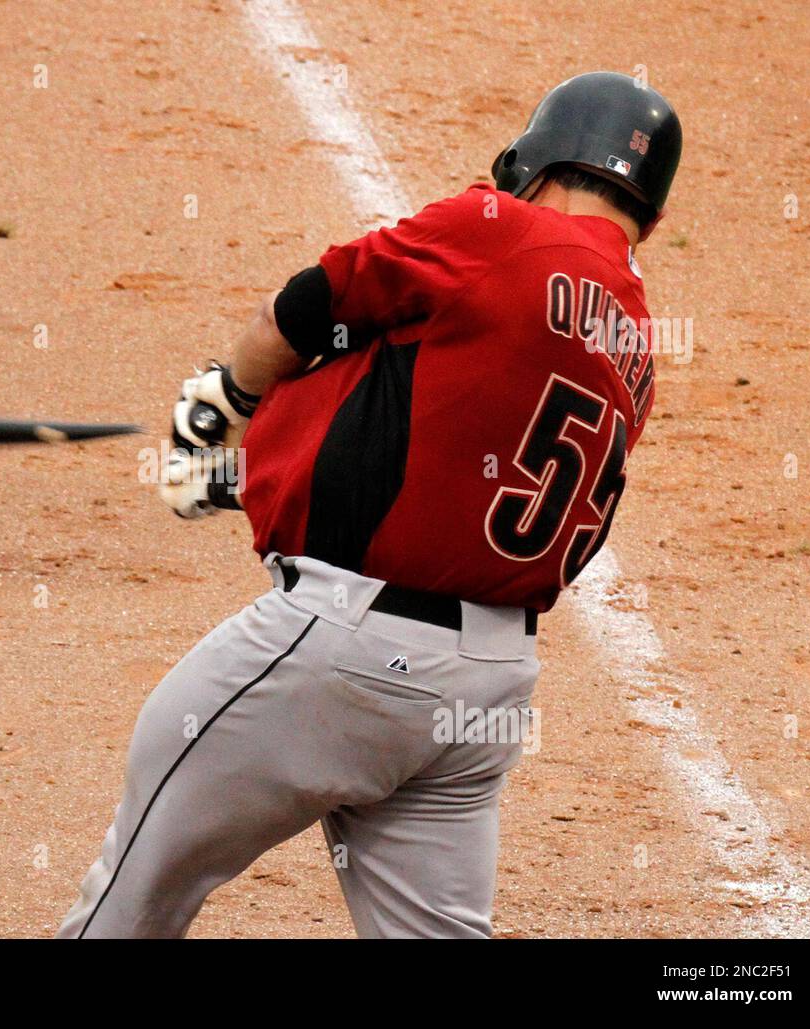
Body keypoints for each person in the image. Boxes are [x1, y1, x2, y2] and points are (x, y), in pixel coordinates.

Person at [59, 70, 683, 939]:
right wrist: (242, 474)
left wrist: (226, 402)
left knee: (127, 906)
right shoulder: (639, 350)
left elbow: (306, 309)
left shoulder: (499, 228)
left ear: (535, 166)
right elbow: (443, 452)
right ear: (648, 218)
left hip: (343, 658)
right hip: (482, 698)